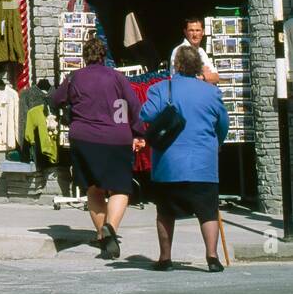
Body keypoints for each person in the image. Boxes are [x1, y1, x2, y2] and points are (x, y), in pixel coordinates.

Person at [49, 36, 145, 259]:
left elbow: (55, 101)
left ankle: (103, 236)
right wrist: (139, 132)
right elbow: (134, 105)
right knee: (120, 188)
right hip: (116, 138)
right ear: (104, 56)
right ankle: (110, 228)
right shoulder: (117, 77)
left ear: (85, 56)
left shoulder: (74, 77)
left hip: (84, 139)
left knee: (93, 188)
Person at [140, 44, 229, 272]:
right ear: (199, 66)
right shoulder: (211, 92)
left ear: (176, 65)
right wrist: (215, 143)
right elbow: (222, 125)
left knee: (165, 212)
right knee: (208, 212)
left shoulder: (162, 88)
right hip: (203, 165)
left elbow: (146, 114)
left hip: (169, 164)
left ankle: (165, 258)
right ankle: (212, 257)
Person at [169, 18, 218, 85]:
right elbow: (182, 80)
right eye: (191, 30)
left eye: (197, 30)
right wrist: (204, 74)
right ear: (185, 32)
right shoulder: (179, 50)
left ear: (203, 32)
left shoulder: (201, 51)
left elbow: (216, 77)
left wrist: (203, 77)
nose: (195, 34)